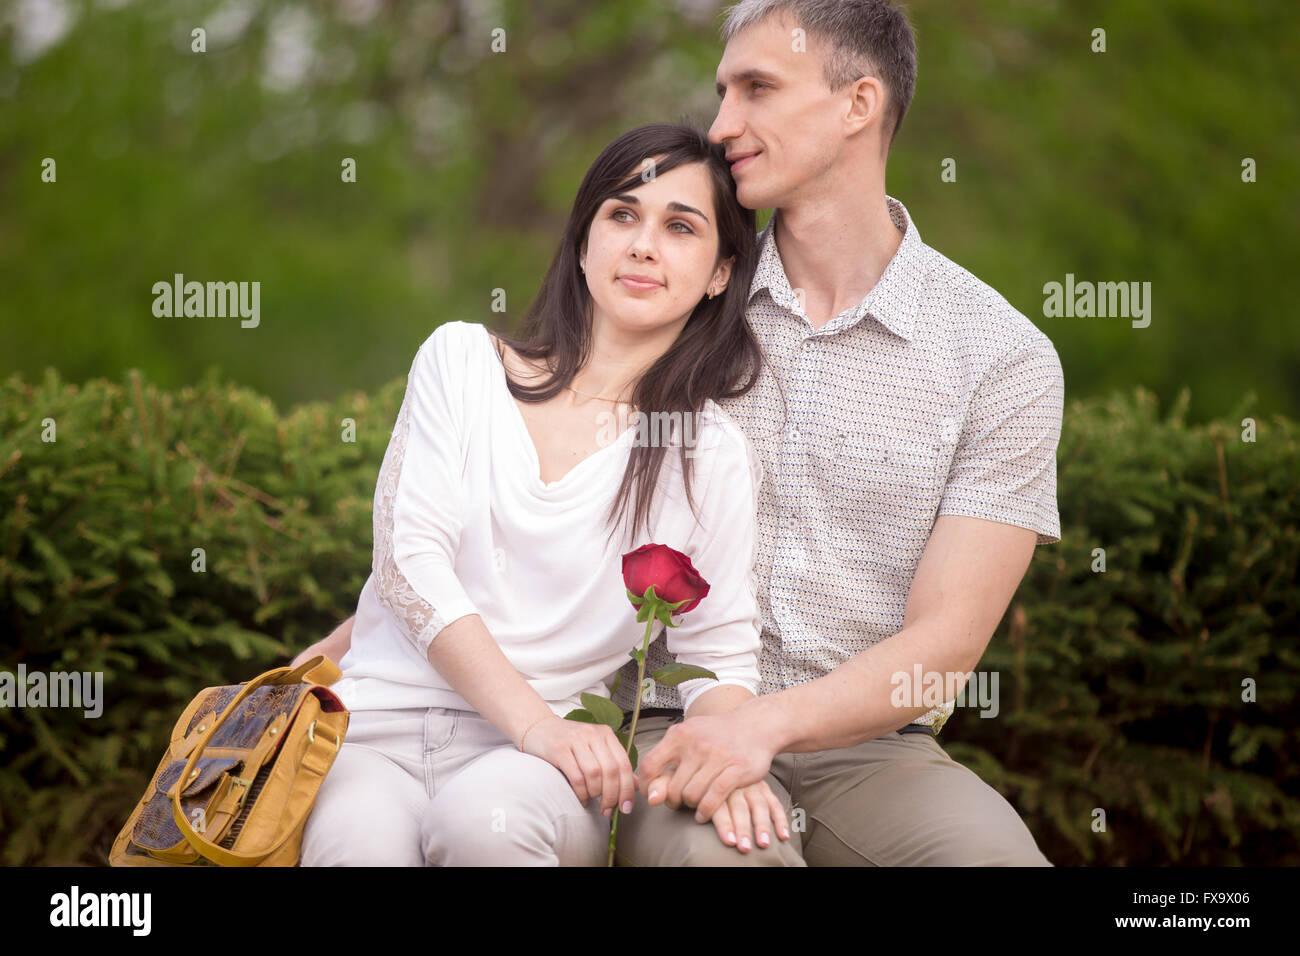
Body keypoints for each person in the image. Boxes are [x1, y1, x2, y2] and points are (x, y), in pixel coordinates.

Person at [305, 0, 1064, 867]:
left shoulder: (998, 356)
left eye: (757, 89)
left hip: (868, 747)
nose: (723, 124)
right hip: (656, 723)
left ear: (859, 103)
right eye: (721, 92)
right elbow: (478, 519)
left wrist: (757, 731)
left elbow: (948, 639)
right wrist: (323, 666)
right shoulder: (680, 295)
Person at [297, 121, 793, 866]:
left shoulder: (706, 451)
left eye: (680, 227)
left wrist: (730, 761)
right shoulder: (462, 364)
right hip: (373, 735)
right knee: (355, 848)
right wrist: (536, 723)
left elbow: (718, 651)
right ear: (584, 241)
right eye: (622, 215)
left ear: (722, 272)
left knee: (481, 824)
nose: (644, 245)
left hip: (543, 767)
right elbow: (407, 565)